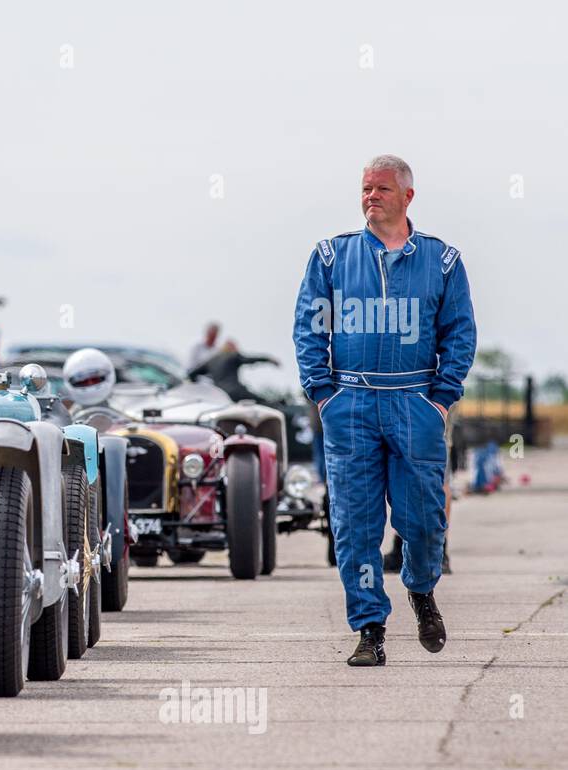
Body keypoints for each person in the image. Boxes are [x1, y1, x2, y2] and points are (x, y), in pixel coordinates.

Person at [293, 154, 476, 667]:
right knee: (355, 524)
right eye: (366, 189)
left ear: (407, 196)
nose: (371, 196)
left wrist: (440, 398)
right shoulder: (332, 256)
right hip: (350, 405)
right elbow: (311, 327)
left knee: (422, 521)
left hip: (415, 402)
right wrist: (323, 393)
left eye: (382, 189)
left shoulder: (442, 261)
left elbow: (459, 332)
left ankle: (420, 589)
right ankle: (370, 629)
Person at [186, 339, 280, 402]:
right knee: (261, 402)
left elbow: (192, 374)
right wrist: (268, 359)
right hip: (236, 392)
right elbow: (250, 359)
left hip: (219, 395)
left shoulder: (212, 360)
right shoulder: (233, 355)